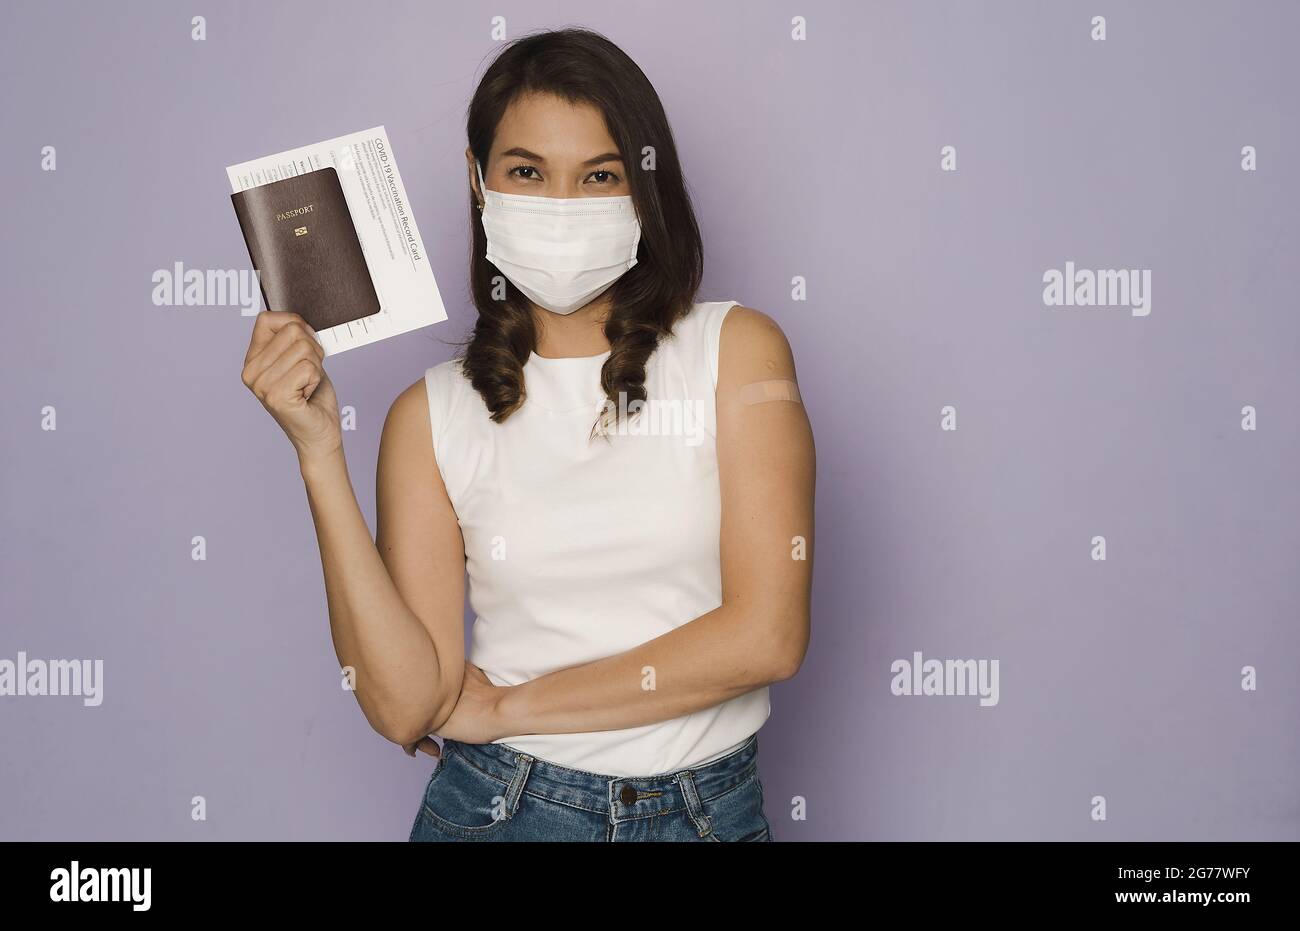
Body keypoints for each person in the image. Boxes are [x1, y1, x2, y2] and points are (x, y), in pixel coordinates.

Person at [240, 27, 815, 842]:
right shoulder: (428, 415)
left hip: (709, 813)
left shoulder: (739, 351)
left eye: (600, 175)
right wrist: (318, 450)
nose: (561, 206)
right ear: (479, 182)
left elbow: (768, 634)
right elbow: (407, 702)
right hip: (504, 810)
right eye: (527, 172)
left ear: (643, 188)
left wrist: (514, 704)